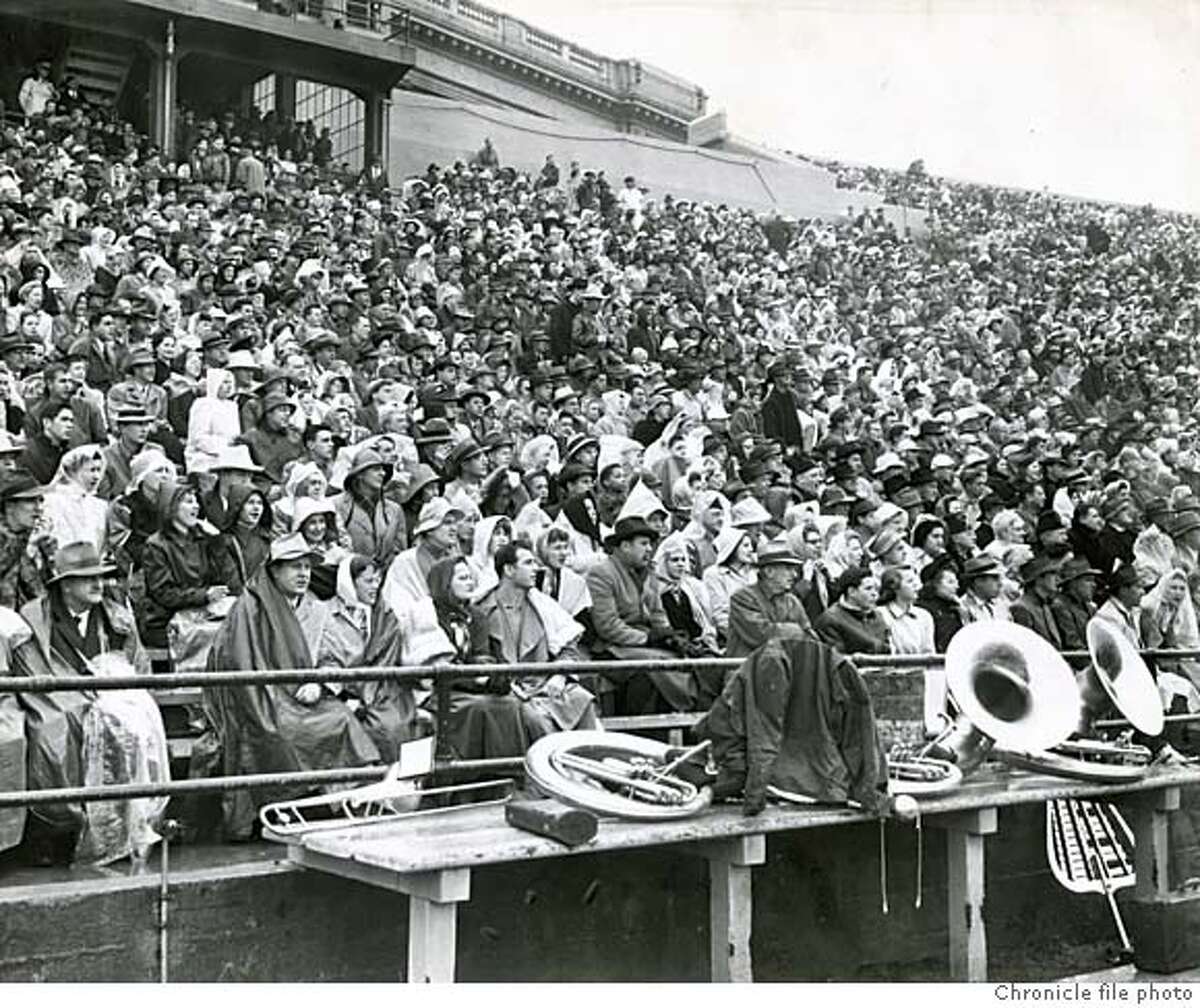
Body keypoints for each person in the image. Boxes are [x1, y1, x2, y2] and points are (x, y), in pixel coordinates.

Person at [200, 533, 382, 840]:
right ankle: (287, 809)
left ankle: (337, 808)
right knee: (280, 730)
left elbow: (332, 658)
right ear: (274, 571)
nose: (303, 574)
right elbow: (241, 664)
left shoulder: (314, 608)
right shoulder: (250, 607)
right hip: (259, 698)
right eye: (294, 567)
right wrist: (275, 697)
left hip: (301, 693)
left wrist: (318, 681)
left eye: (307, 567)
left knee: (341, 719)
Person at [9, 541, 168, 866]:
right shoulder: (35, 619)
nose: (98, 585)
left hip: (113, 698)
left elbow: (138, 667)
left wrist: (119, 698)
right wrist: (83, 701)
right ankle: (58, 832)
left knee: (136, 725)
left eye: (101, 577)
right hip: (59, 699)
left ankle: (127, 829)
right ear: (66, 585)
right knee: (53, 732)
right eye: (87, 578)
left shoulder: (117, 618)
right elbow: (35, 671)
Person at [471, 542, 599, 737]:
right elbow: (480, 661)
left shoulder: (543, 606)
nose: (535, 569)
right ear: (509, 569)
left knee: (582, 699)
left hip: (546, 685)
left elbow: (569, 648)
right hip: (508, 692)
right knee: (534, 718)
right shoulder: (484, 612)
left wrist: (559, 676)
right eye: (528, 563)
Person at [312, 554, 420, 761]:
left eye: (378, 581)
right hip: (339, 688)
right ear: (349, 583)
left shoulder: (385, 614)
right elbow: (327, 658)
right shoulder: (326, 613)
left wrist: (367, 693)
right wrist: (345, 694)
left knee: (393, 725)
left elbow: (386, 660)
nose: (375, 587)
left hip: (380, 688)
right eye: (368, 581)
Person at [585, 516, 694, 713]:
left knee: (686, 657)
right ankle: (685, 711)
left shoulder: (648, 573)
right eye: (643, 544)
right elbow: (608, 626)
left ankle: (683, 719)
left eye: (650, 544)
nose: (650, 549)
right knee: (660, 666)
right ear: (625, 546)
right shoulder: (601, 574)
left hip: (641, 646)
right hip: (612, 649)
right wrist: (647, 638)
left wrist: (669, 636)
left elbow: (657, 613)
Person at [139, 479, 233, 652]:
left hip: (201, 613)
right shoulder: (156, 545)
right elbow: (163, 593)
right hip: (165, 620)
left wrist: (217, 540)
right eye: (189, 502)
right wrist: (204, 595)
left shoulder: (201, 538)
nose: (196, 506)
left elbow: (224, 577)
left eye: (196, 501)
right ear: (172, 507)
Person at [725, 540, 811, 659]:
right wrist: (796, 630)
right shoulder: (743, 598)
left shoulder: (792, 601)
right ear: (769, 571)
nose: (794, 575)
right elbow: (762, 636)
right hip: (748, 672)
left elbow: (810, 637)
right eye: (788, 568)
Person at [332, 447, 406, 568]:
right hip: (349, 576)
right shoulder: (337, 506)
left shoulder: (394, 510)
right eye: (376, 469)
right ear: (360, 474)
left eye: (383, 469)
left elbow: (399, 551)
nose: (382, 473)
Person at [41, 444, 109, 555]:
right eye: (91, 470)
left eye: (99, 470)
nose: (97, 476)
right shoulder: (53, 501)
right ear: (73, 471)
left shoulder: (100, 506)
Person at [813, 566, 889, 655]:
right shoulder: (830, 620)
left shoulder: (878, 616)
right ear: (852, 592)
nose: (874, 594)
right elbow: (838, 661)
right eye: (868, 589)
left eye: (876, 589)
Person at [703, 526, 757, 643]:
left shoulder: (753, 574)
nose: (751, 549)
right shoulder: (714, 575)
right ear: (732, 548)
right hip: (732, 637)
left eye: (751, 545)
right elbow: (720, 615)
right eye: (745, 546)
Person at [186, 367, 241, 474]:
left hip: (230, 451)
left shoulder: (232, 406)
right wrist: (224, 445)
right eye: (224, 382)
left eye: (230, 382)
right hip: (205, 454)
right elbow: (198, 438)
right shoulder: (203, 404)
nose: (229, 386)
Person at [877, 565, 934, 656]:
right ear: (894, 587)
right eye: (910, 581)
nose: (917, 585)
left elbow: (929, 652)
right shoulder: (880, 614)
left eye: (916, 580)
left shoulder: (924, 616)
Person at [1010, 555, 1065, 648]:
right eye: (1052, 574)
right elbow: (1027, 646)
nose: (1058, 579)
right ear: (1039, 579)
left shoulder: (1045, 606)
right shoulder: (1021, 608)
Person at [915, 556, 964, 653]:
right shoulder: (923, 609)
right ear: (935, 584)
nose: (956, 586)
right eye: (950, 582)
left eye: (956, 582)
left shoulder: (955, 608)